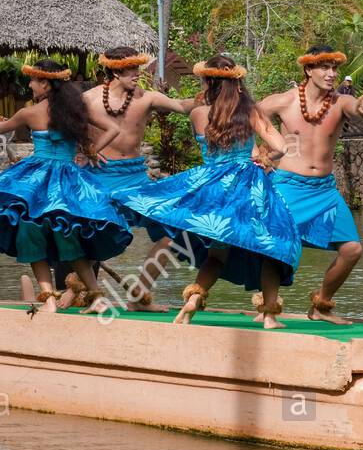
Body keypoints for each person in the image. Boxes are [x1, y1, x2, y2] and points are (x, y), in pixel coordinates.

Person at [121, 54, 301, 329]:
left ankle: (192, 302)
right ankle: (269, 316)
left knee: (217, 254)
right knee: (272, 246)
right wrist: (263, 159)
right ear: (237, 83)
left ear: (207, 81)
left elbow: (211, 148)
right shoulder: (249, 111)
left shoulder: (197, 114)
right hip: (248, 187)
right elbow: (280, 146)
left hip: (212, 186)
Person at [0, 60, 132, 312]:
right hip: (68, 181)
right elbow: (112, 128)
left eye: (33, 80)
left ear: (45, 83)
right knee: (70, 240)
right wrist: (90, 153)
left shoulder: (29, 113)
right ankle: (97, 298)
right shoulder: (77, 111)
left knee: (31, 238)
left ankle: (50, 300)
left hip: (38, 182)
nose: (30, 85)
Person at [257, 47, 363, 323]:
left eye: (334, 68)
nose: (331, 74)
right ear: (308, 70)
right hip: (287, 185)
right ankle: (268, 311)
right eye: (324, 68)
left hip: (324, 190)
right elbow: (250, 114)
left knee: (352, 250)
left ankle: (321, 306)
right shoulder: (284, 101)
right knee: (278, 247)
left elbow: (358, 107)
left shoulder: (339, 103)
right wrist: (262, 151)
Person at [81, 46, 197, 311]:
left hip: (136, 178)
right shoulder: (88, 99)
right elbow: (66, 124)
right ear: (115, 71)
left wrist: (211, 96)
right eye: (132, 69)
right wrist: (81, 151)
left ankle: (139, 296)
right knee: (89, 235)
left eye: (137, 68)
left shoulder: (147, 98)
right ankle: (90, 297)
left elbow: (181, 106)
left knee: (171, 232)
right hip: (99, 177)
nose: (137, 74)